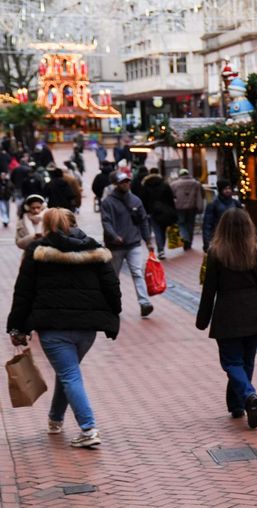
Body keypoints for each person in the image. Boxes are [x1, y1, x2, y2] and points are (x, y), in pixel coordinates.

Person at [6, 208, 121, 449]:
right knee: (68, 373)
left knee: (69, 374)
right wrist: (113, 315)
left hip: (52, 327)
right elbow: (112, 286)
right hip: (88, 328)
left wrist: (17, 327)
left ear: (46, 226)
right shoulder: (94, 248)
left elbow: (23, 291)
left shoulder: (37, 251)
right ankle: (55, 420)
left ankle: (88, 429)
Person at [195, 208, 257, 428]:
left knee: (231, 362)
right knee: (246, 362)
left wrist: (203, 319)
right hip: (254, 313)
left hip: (227, 313)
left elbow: (210, 290)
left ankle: (248, 395)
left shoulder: (216, 253)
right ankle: (238, 405)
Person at [99, 169, 156, 318]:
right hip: (115, 246)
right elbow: (106, 221)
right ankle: (113, 305)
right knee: (114, 277)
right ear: (116, 184)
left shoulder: (136, 200)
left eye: (127, 181)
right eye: (123, 182)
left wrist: (148, 240)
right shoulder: (108, 202)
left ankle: (145, 303)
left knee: (137, 272)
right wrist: (113, 236)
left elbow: (143, 221)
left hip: (133, 243)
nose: (126, 184)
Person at [140, 168, 177, 252]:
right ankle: (161, 247)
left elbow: (143, 199)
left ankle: (160, 249)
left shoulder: (146, 184)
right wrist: (173, 211)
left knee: (157, 230)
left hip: (152, 211)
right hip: (165, 211)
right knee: (163, 230)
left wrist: (146, 211)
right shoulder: (164, 184)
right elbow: (170, 198)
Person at [202, 179, 243, 252]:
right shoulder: (213, 204)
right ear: (220, 190)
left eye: (229, 188)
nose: (227, 191)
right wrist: (207, 242)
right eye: (225, 189)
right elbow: (207, 224)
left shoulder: (236, 203)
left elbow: (243, 220)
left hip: (235, 235)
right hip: (219, 236)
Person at [169, 168, 205, 251]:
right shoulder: (196, 183)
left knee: (181, 223)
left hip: (179, 207)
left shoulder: (174, 184)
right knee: (190, 224)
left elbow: (171, 195)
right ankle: (189, 242)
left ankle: (185, 238)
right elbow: (201, 194)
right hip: (192, 207)